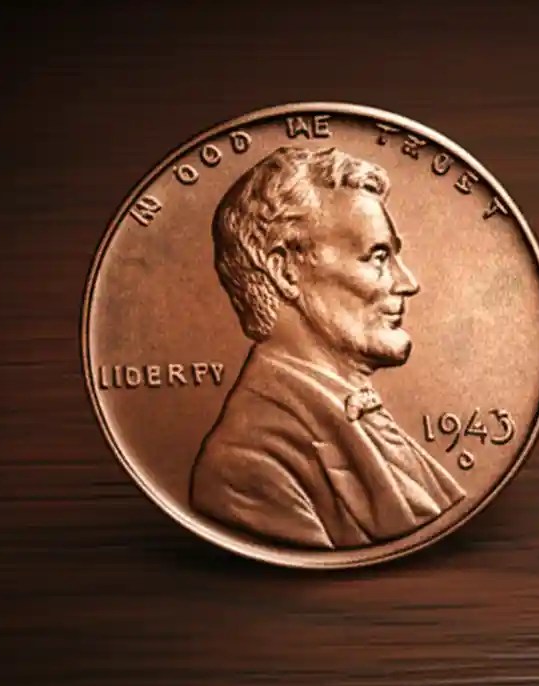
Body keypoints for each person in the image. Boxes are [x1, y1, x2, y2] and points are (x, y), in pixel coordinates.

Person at [188, 146, 465, 549]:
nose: (408, 282)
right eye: (378, 257)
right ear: (286, 271)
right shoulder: (246, 468)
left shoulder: (355, 416)